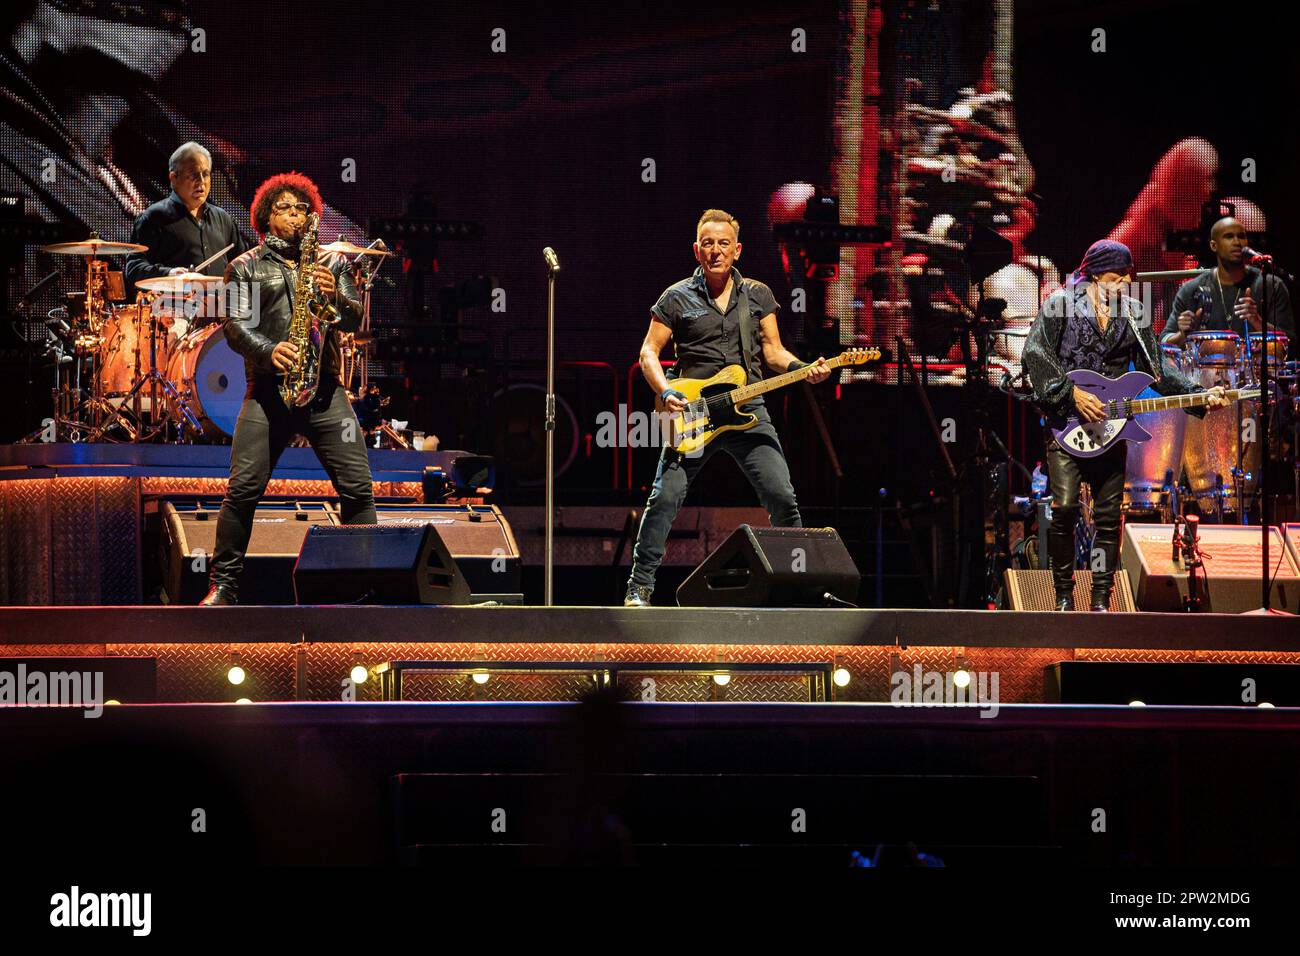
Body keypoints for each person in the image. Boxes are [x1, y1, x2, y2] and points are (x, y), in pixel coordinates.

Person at [624, 209, 830, 607]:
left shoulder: (757, 295)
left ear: (737, 250)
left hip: (747, 407)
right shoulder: (676, 296)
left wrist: (803, 370)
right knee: (665, 499)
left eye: (723, 244)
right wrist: (665, 391)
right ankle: (640, 586)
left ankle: (800, 585)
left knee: (782, 497)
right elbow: (649, 352)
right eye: (707, 243)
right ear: (696, 249)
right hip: (693, 411)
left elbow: (772, 351)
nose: (715, 251)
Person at [199, 172, 376, 606]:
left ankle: (366, 585)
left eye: (302, 209)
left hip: (325, 392)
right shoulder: (244, 266)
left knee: (357, 489)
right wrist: (269, 350)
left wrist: (336, 298)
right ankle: (224, 587)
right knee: (242, 491)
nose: (295, 215)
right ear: (264, 216)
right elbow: (235, 328)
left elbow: (354, 321)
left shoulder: (331, 264)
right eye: (285, 208)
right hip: (267, 392)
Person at [1022, 240, 1227, 612]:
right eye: (1116, 277)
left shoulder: (1133, 312)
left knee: (1107, 515)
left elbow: (1158, 369)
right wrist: (1071, 395)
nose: (1124, 284)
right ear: (1096, 274)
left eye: (1126, 278)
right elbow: (1034, 354)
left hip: (1112, 427)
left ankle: (1101, 599)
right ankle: (1064, 596)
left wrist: (1200, 394)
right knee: (1065, 507)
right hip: (1065, 423)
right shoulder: (1059, 305)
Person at [123, 142, 248, 298]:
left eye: (206, 173)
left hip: (221, 313)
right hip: (173, 313)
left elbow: (244, 264)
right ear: (174, 178)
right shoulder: (152, 218)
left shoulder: (223, 219)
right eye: (194, 174)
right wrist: (170, 274)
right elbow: (134, 269)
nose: (201, 181)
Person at [1159, 216, 1294, 348]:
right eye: (1229, 237)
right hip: (1206, 370)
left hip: (1256, 369)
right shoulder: (1192, 289)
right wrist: (1183, 334)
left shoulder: (1271, 285)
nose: (1237, 242)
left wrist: (1257, 321)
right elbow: (1164, 343)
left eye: (1241, 236)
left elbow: (1290, 342)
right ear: (1213, 245)